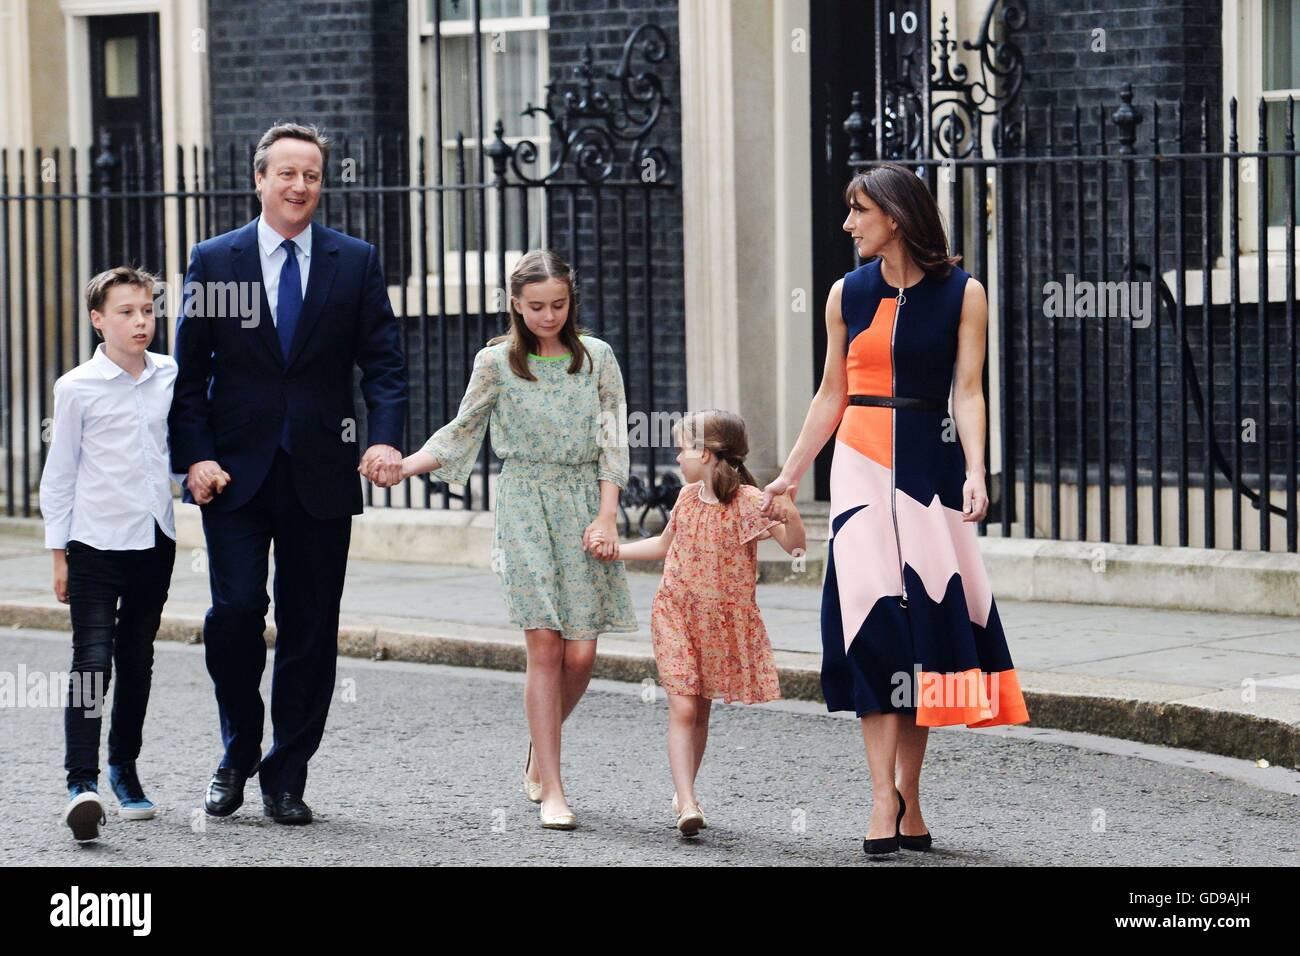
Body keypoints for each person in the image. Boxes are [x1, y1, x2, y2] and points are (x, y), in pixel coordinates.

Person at [760, 162, 1030, 857]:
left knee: (928, 637)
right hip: (857, 472)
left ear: (896, 216)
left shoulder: (962, 294)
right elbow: (831, 393)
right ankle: (882, 796)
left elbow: (966, 392)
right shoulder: (846, 293)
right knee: (876, 630)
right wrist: (790, 473)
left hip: (928, 471)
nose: (848, 225)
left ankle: (911, 794)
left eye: (859, 212)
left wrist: (976, 469)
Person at [168, 122, 407, 825]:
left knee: (310, 627)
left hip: (322, 474)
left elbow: (385, 366)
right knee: (237, 612)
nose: (299, 186)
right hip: (234, 476)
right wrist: (195, 457)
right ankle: (238, 748)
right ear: (260, 179)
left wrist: (385, 441)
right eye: (287, 174)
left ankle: (286, 773)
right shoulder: (215, 261)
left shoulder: (353, 260)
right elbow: (191, 374)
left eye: (311, 175)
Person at [398, 249, 636, 831]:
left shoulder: (598, 357)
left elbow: (613, 440)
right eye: (535, 307)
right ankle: (553, 786)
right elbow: (463, 431)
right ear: (514, 305)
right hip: (524, 502)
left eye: (558, 305)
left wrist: (607, 516)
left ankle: (539, 744)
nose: (548, 316)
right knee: (546, 647)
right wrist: (404, 468)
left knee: (582, 652)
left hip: (583, 500)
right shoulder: (497, 362)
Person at [598, 410, 805, 836]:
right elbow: (662, 544)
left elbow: (795, 549)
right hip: (676, 612)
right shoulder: (686, 498)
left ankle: (684, 789)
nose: (677, 459)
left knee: (701, 712)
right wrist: (615, 551)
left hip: (720, 620)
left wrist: (791, 512)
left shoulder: (749, 501)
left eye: (682, 449)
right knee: (684, 705)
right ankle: (687, 802)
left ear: (707, 454)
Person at [39, 266, 184, 842]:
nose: (141, 321)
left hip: (154, 539)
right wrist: (58, 554)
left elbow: (182, 443)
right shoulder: (76, 387)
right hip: (94, 542)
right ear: (99, 320)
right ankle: (82, 782)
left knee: (138, 658)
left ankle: (124, 769)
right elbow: (60, 474)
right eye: (126, 312)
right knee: (91, 661)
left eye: (147, 310)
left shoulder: (170, 374)